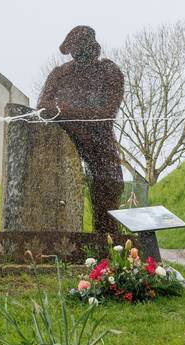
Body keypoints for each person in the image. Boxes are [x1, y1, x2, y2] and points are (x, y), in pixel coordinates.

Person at [36, 25, 125, 235]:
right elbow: (43, 107)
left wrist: (63, 110)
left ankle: (110, 245)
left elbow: (105, 113)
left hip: (99, 141)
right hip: (65, 138)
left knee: (109, 186)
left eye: (80, 48)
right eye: (73, 50)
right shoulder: (60, 74)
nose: (77, 54)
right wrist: (68, 114)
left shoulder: (108, 72)